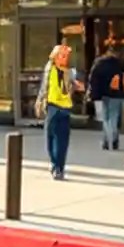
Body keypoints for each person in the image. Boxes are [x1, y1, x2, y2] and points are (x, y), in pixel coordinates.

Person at [37, 44, 84, 180]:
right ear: (55, 56)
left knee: (62, 140)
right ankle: (53, 163)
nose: (65, 58)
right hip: (52, 105)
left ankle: (59, 167)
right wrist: (39, 101)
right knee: (50, 137)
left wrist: (78, 86)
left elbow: (75, 85)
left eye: (66, 56)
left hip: (65, 107)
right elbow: (44, 87)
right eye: (62, 55)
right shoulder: (50, 68)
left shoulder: (70, 71)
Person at [88, 44, 124, 151]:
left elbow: (93, 79)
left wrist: (93, 93)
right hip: (116, 94)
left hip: (102, 94)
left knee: (105, 118)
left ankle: (107, 141)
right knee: (114, 117)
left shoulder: (99, 63)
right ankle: (114, 139)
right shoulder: (121, 64)